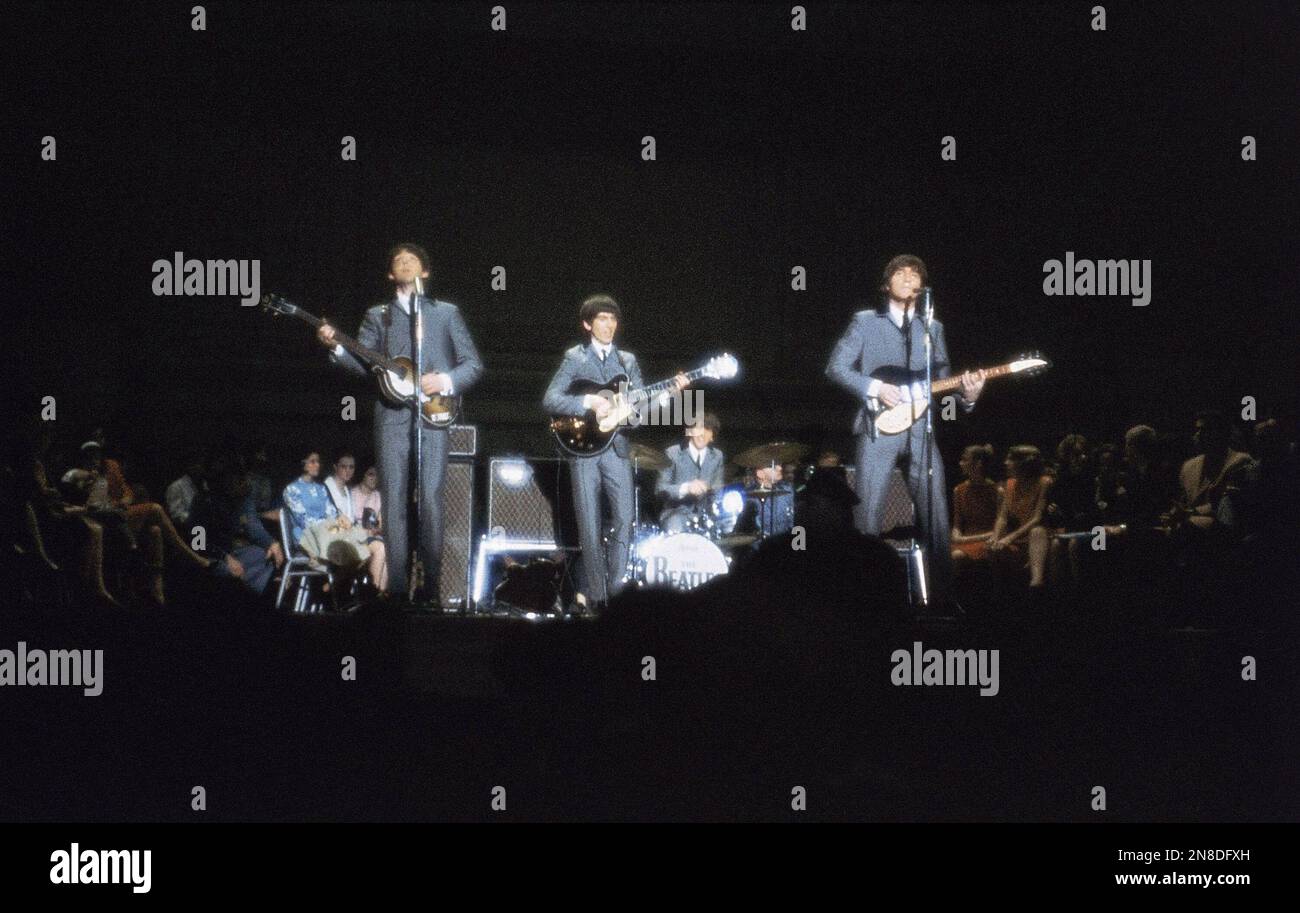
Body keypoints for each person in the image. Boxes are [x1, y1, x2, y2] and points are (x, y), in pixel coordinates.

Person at [316, 243, 483, 604]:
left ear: (425, 272)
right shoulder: (379, 315)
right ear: (391, 275)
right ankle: (395, 591)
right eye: (398, 261)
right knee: (393, 500)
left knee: (432, 500)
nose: (405, 264)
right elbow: (362, 364)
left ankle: (432, 589)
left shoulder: (446, 314)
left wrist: (445, 381)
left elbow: (473, 364)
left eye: (413, 261)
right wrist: (337, 348)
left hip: (434, 415)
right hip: (392, 417)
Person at [825, 254, 986, 604]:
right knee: (867, 516)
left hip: (921, 430)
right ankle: (863, 599)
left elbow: (943, 382)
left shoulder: (933, 328)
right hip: (878, 427)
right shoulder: (866, 322)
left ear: (922, 287)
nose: (908, 276)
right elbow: (836, 367)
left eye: (915, 273)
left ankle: (942, 600)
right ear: (886, 285)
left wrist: (967, 396)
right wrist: (875, 387)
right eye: (900, 272)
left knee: (937, 518)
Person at [543, 293, 686, 613]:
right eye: (602, 319)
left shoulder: (628, 361)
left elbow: (637, 411)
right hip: (583, 450)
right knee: (589, 523)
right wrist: (587, 401)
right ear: (587, 324)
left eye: (613, 320)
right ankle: (595, 594)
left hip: (618, 449)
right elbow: (551, 400)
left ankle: (616, 591)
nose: (609, 325)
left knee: (625, 519)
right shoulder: (575, 358)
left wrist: (666, 397)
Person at [282, 451, 386, 593]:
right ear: (302, 464)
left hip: (331, 531)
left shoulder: (321, 488)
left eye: (318, 461)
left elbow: (332, 511)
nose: (317, 465)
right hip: (310, 535)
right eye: (312, 462)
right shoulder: (291, 489)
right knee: (350, 549)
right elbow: (303, 519)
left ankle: (369, 595)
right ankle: (342, 590)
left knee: (372, 547)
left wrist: (340, 519)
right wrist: (333, 524)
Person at [989, 445, 1052, 588]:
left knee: (1037, 532)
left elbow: (1037, 518)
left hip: (1035, 535)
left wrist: (1010, 538)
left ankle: (1036, 584)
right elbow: (1003, 517)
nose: (1006, 463)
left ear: (1023, 464)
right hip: (1015, 535)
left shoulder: (1044, 482)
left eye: (1010, 459)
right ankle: (1001, 592)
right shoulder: (1010, 484)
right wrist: (996, 536)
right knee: (992, 548)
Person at [656, 412, 724, 533]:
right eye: (698, 428)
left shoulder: (717, 456)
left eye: (707, 429)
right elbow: (660, 489)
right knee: (675, 525)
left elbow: (718, 490)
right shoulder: (672, 453)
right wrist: (687, 488)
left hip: (706, 516)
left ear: (712, 436)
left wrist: (709, 489)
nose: (702, 434)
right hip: (675, 514)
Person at [950, 444, 999, 563]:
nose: (961, 463)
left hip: (988, 539)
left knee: (957, 555)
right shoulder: (959, 490)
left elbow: (1000, 527)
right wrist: (956, 535)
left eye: (965, 460)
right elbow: (957, 523)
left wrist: (965, 539)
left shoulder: (996, 490)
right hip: (965, 540)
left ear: (978, 464)